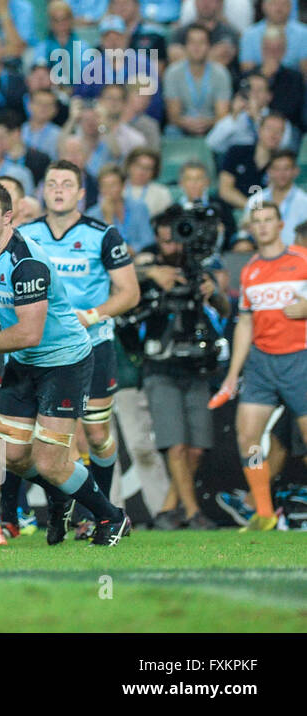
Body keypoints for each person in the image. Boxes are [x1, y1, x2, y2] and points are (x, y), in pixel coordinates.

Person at [0, 181, 131, 545]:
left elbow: (29, 333)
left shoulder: (27, 262)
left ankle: (111, 516)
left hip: (64, 362)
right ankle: (63, 494)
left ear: (8, 217)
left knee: (50, 462)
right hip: (24, 363)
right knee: (11, 456)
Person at [20, 161, 141, 507]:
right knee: (39, 439)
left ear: (81, 194)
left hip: (93, 347)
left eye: (67, 184)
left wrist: (91, 315)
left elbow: (129, 293)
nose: (58, 190)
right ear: (43, 191)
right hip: (42, 351)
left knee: (98, 435)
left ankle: (101, 508)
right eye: (52, 183)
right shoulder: (26, 235)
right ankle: (61, 511)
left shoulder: (103, 235)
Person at [134, 207, 229, 530]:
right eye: (164, 240)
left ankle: (167, 509)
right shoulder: (147, 264)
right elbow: (120, 278)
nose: (171, 246)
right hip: (160, 366)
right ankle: (193, 512)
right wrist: (151, 274)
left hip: (197, 366)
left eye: (176, 240)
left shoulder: (199, 268)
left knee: (197, 448)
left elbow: (226, 309)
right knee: (175, 444)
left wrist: (213, 292)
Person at [217, 203, 307, 531]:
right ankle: (265, 513)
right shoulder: (250, 270)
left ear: (281, 224)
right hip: (262, 364)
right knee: (247, 438)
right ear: (252, 229)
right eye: (257, 221)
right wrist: (232, 374)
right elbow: (244, 324)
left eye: (269, 220)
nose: (264, 226)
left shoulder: (301, 259)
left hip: (300, 359)